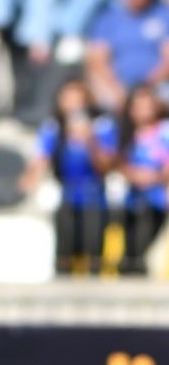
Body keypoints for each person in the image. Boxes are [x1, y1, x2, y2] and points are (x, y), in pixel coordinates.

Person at [18, 77, 117, 275]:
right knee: (65, 248)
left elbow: (106, 164)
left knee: (93, 246)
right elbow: (42, 157)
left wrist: (90, 140)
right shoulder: (54, 126)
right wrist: (30, 178)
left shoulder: (102, 125)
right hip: (66, 193)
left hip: (94, 195)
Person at [115, 84, 169, 275]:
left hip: (157, 200)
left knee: (143, 246)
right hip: (132, 200)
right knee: (129, 247)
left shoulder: (164, 131)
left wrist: (155, 176)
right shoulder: (125, 133)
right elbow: (116, 161)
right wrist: (132, 173)